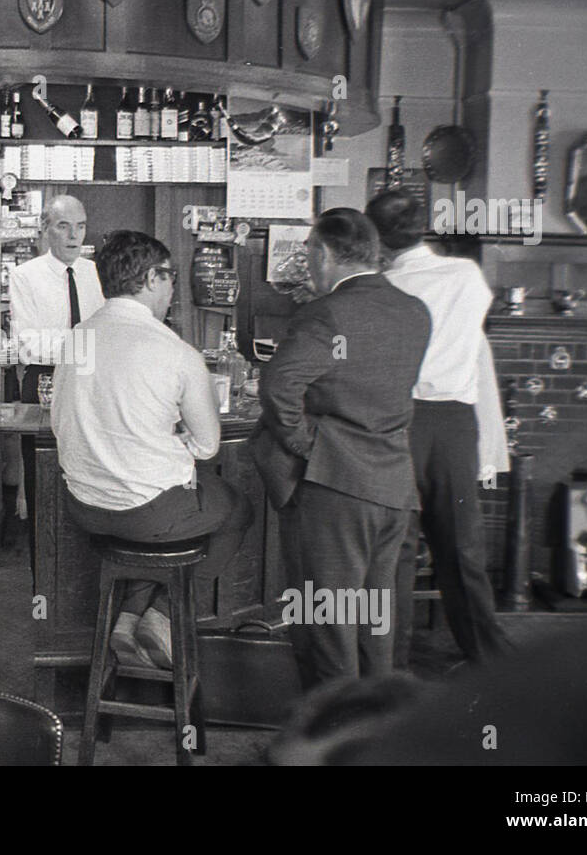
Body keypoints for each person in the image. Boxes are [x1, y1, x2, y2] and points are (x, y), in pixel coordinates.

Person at [51, 230, 252, 668]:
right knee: (235, 508)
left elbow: (64, 419)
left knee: (153, 514)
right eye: (171, 278)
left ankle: (125, 622)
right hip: (149, 515)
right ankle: (161, 617)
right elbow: (207, 446)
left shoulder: (77, 339)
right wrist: (171, 440)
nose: (173, 288)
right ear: (151, 279)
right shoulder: (174, 351)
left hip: (84, 506)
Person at [249, 208, 430, 689]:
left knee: (327, 625)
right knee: (373, 625)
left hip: (336, 490)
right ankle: (373, 740)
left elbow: (279, 385)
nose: (307, 263)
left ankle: (329, 744)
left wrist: (305, 442)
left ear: (324, 252)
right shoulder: (415, 310)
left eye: (309, 252)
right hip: (393, 488)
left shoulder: (328, 313)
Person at [366, 190, 512, 667]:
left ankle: (392, 665)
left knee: (396, 552)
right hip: (453, 424)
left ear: (376, 239)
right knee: (461, 547)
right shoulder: (468, 277)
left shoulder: (380, 287)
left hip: (397, 421)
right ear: (424, 227)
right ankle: (489, 656)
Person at [8, 195, 105, 529]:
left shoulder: (95, 273)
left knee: (88, 474)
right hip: (43, 383)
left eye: (80, 226)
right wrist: (91, 344)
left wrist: (74, 345)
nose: (73, 236)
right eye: (63, 226)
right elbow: (30, 347)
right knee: (44, 475)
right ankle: (43, 561)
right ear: (45, 229)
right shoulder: (25, 276)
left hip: (92, 383)